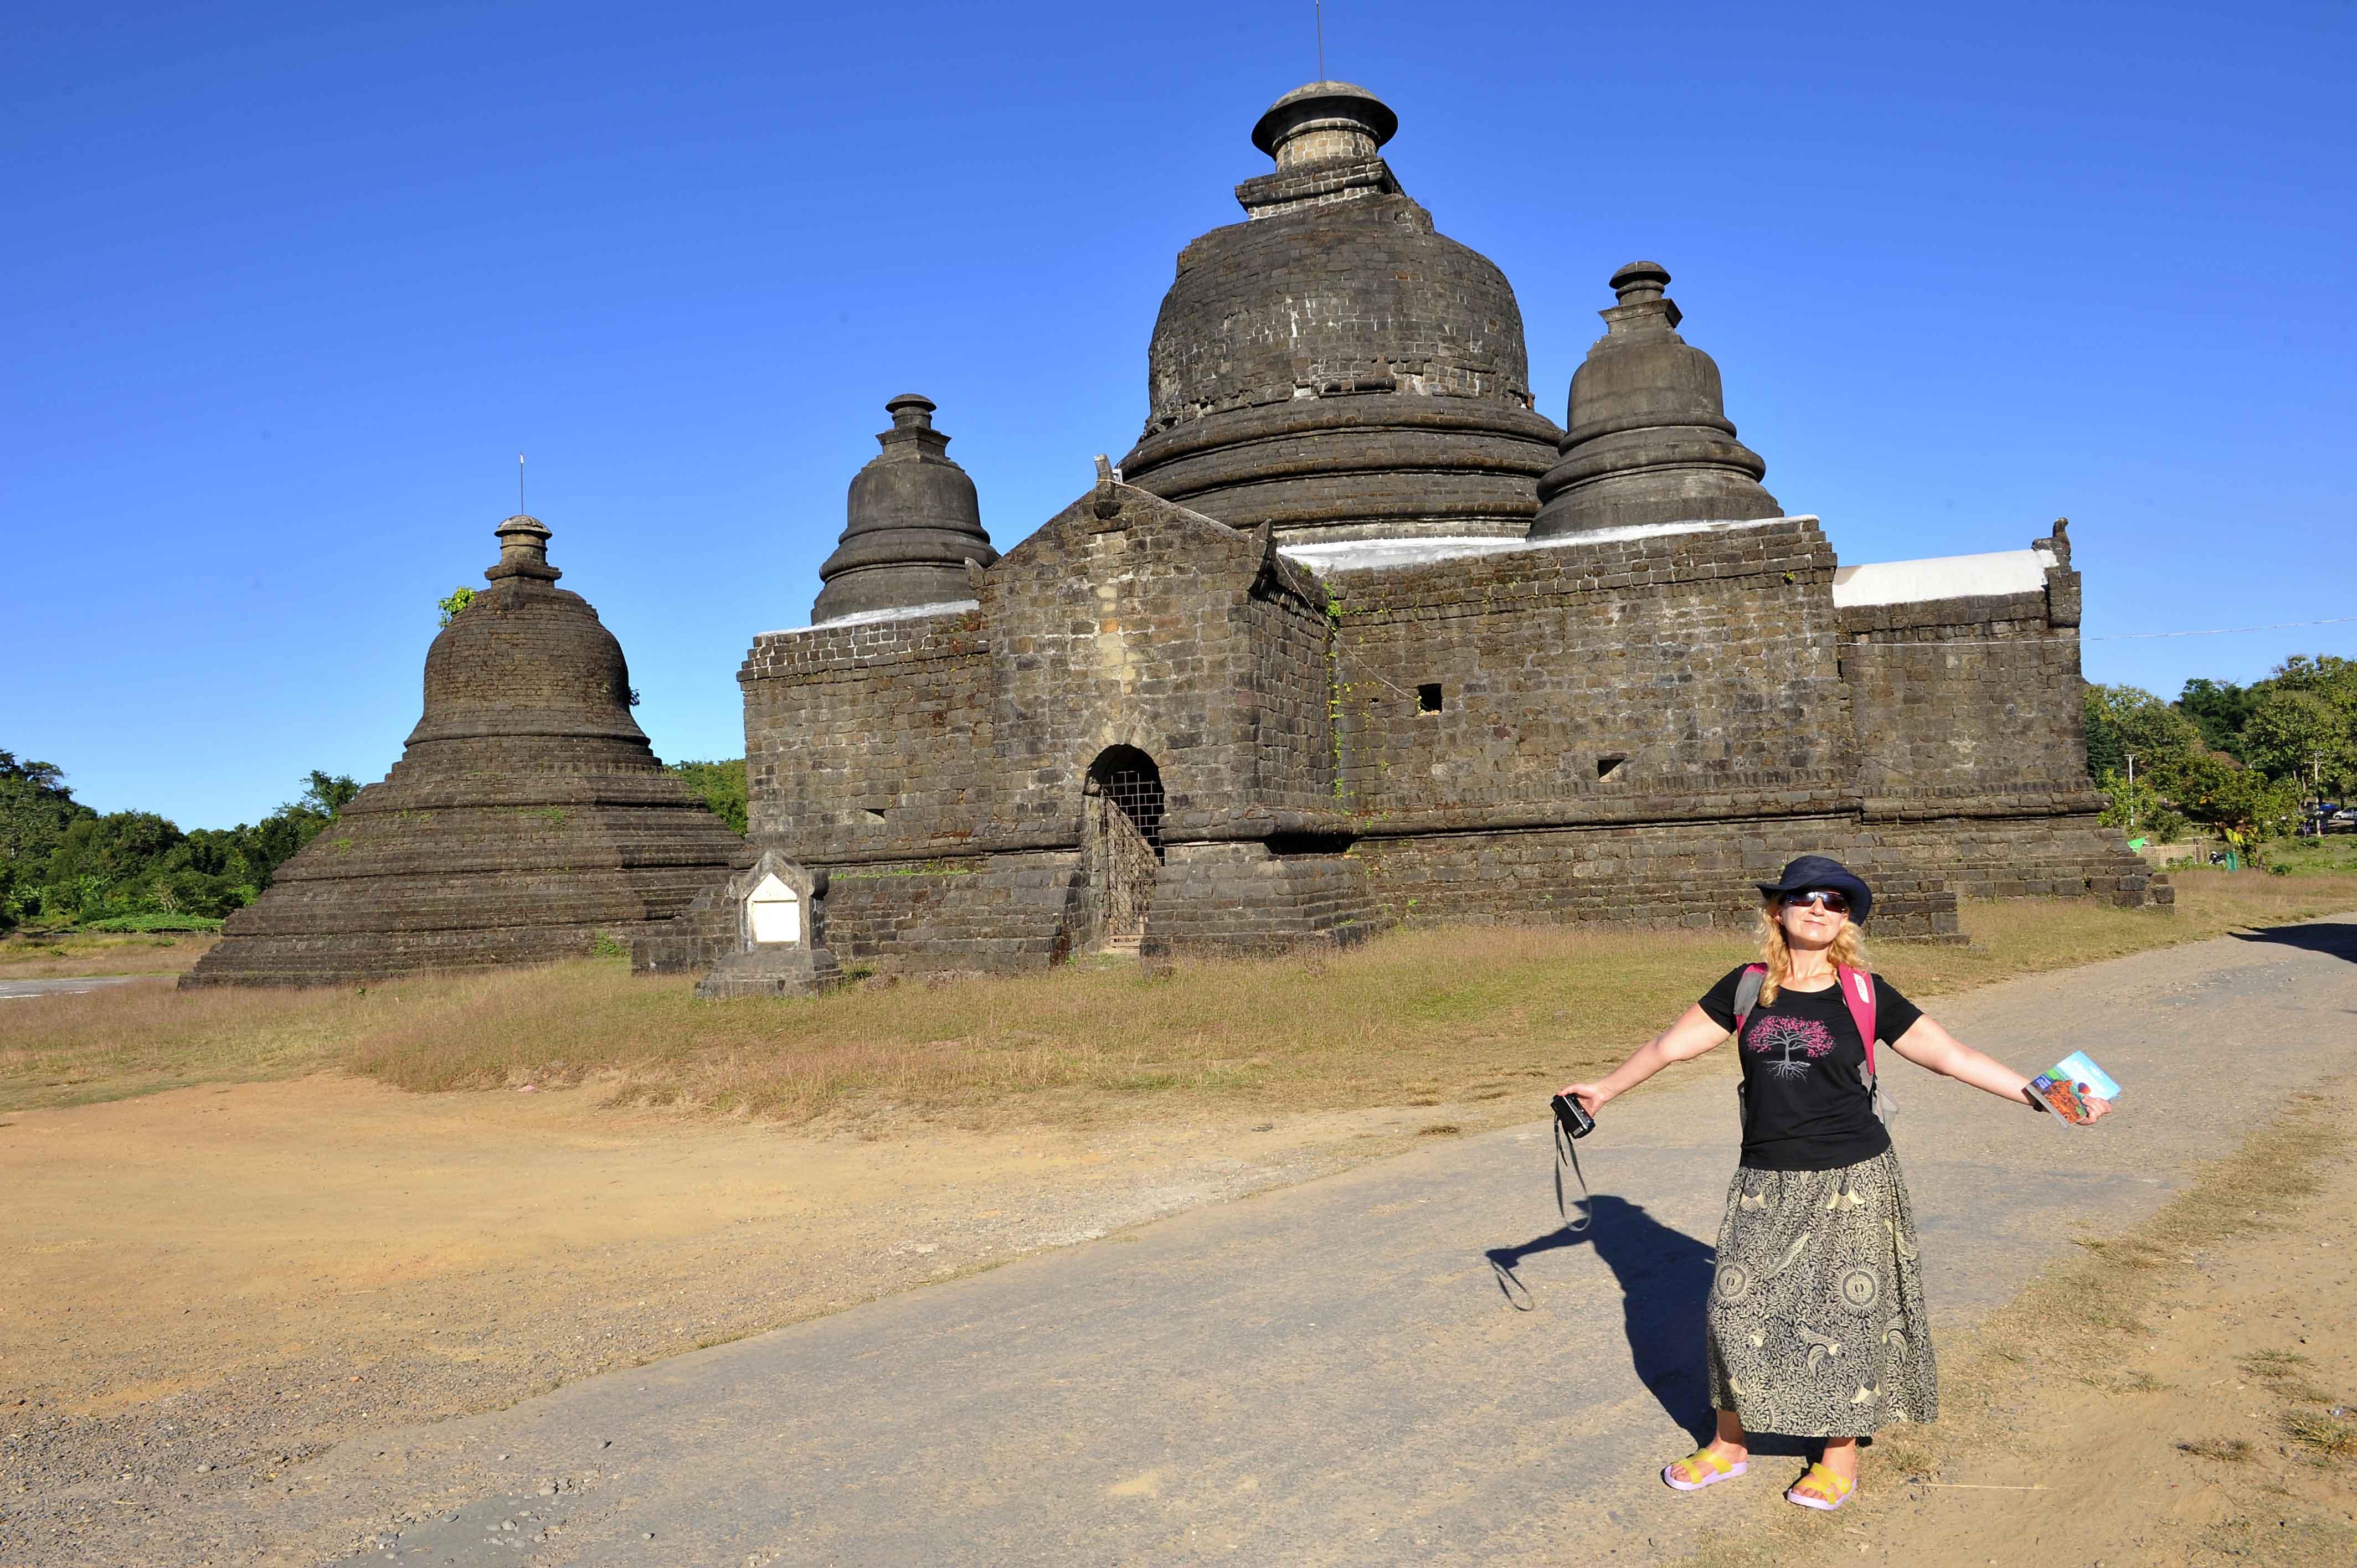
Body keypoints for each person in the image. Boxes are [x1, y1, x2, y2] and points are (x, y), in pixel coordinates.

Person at [1558, 855, 2110, 1512]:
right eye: (1803, 897)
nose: (1818, 908)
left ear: (1846, 918)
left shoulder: (1866, 993)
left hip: (1854, 1176)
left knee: (1845, 1315)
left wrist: (2039, 1096)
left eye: (1834, 901)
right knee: (1732, 1312)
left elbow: (1950, 1056)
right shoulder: (1745, 988)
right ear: (1777, 910)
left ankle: (1837, 1455)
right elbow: (1668, 1046)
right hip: (1764, 1177)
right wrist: (1603, 1090)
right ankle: (1728, 1444)